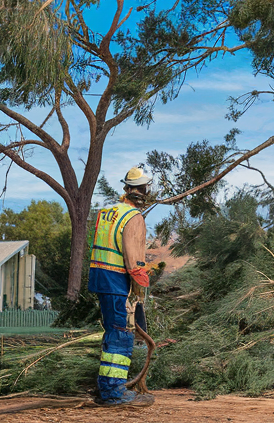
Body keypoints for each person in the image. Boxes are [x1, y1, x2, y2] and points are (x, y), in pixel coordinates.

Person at [89, 167, 155, 406]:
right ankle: (113, 392)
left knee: (112, 332)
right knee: (121, 336)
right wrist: (139, 291)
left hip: (100, 278)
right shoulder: (134, 218)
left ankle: (106, 387)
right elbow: (134, 261)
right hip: (117, 282)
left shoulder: (107, 212)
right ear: (143, 190)